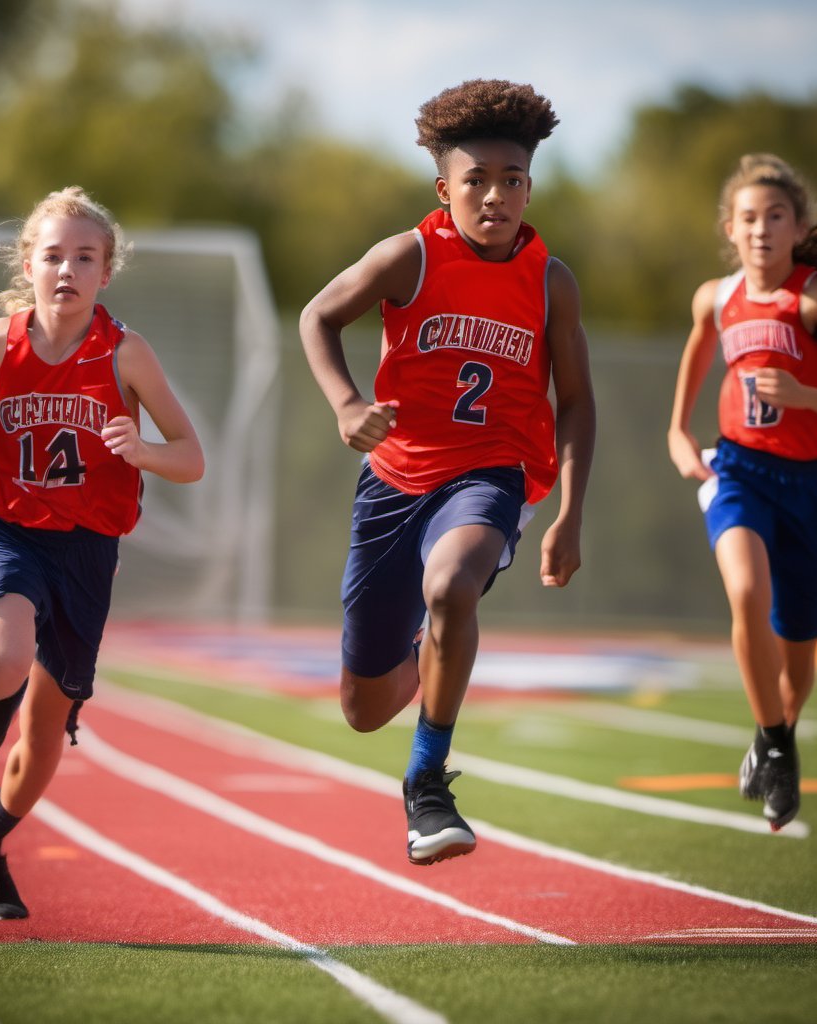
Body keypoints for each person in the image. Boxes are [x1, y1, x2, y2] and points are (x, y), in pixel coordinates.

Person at [299, 79, 595, 865]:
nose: (495, 196)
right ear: (444, 188)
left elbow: (577, 404)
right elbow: (318, 317)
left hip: (491, 476)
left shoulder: (549, 281)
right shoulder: (410, 256)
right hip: (394, 482)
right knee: (363, 708)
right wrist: (344, 404)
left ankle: (427, 783)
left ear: (531, 186)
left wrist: (568, 512)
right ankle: (432, 653)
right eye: (477, 180)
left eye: (512, 181)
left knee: (451, 587)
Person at [0, 186, 204, 919]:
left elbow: (191, 456)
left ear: (105, 272)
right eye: (53, 255)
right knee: (2, 661)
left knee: (44, 737)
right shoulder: (2, 341)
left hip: (88, 551)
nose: (67, 269)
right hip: (10, 529)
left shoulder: (127, 354)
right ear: (28, 264)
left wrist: (145, 451)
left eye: (84, 257)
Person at [668, 154, 817, 832]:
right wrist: (678, 433)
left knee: (798, 666)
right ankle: (771, 739)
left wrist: (806, 396)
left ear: (797, 227)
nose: (761, 230)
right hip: (739, 471)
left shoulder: (816, 299)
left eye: (776, 217)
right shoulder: (716, 297)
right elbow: (698, 350)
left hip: (807, 485)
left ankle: (779, 737)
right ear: (730, 230)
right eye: (749, 218)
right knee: (744, 591)